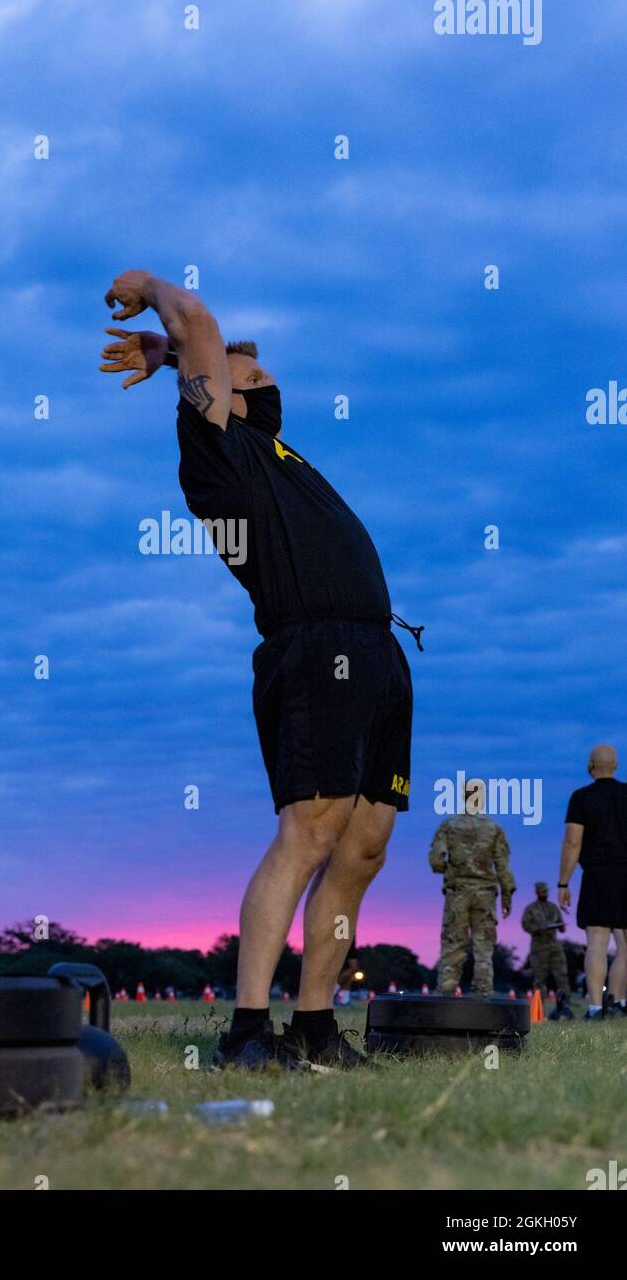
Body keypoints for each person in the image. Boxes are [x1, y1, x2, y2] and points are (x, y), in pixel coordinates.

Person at [100, 270, 421, 1068]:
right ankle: (247, 1029)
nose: (256, 367)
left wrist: (173, 351)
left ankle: (315, 1026)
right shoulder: (217, 452)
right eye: (236, 367)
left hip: (377, 651)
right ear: (215, 391)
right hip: (316, 649)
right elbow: (204, 322)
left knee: (364, 845)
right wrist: (153, 292)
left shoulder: (271, 437)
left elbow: (239, 359)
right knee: (309, 831)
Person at [558, 744, 627, 1019]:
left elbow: (573, 842)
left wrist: (563, 882)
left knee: (597, 942)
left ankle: (597, 1007)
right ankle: (620, 1002)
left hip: (598, 875)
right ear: (616, 765)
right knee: (625, 946)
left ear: (591, 765)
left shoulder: (581, 798)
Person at [429, 779, 514, 997]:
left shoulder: (449, 825)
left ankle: (446, 992)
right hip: (485, 894)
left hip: (457, 892)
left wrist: (450, 869)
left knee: (453, 944)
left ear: (463, 796)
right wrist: (506, 897)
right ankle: (483, 994)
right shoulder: (493, 828)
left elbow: (436, 861)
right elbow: (503, 866)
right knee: (484, 947)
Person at [521, 881, 573, 1019]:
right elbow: (525, 925)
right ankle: (538, 1011)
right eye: (541, 891)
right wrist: (539, 928)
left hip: (555, 947)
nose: (544, 893)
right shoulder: (530, 909)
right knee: (539, 979)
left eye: (546, 891)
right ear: (537, 892)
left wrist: (560, 926)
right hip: (539, 948)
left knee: (562, 977)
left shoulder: (553, 907)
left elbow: (561, 927)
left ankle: (566, 1009)